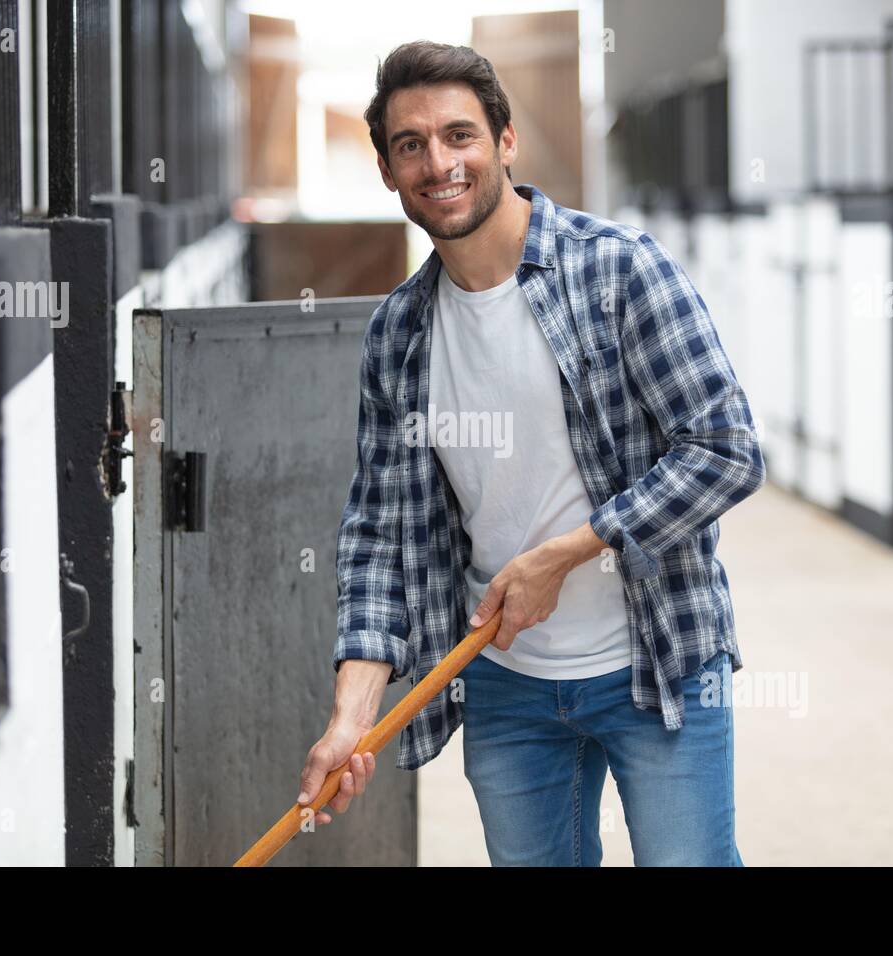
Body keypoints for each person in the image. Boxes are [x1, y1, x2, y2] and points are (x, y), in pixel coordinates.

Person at [297, 40, 765, 866]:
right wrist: (351, 716)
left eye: (459, 135)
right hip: (507, 688)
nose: (438, 163)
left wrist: (573, 550)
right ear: (387, 169)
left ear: (505, 141)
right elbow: (375, 536)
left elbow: (726, 449)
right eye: (411, 145)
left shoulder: (618, 272)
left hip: (658, 663)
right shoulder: (399, 336)